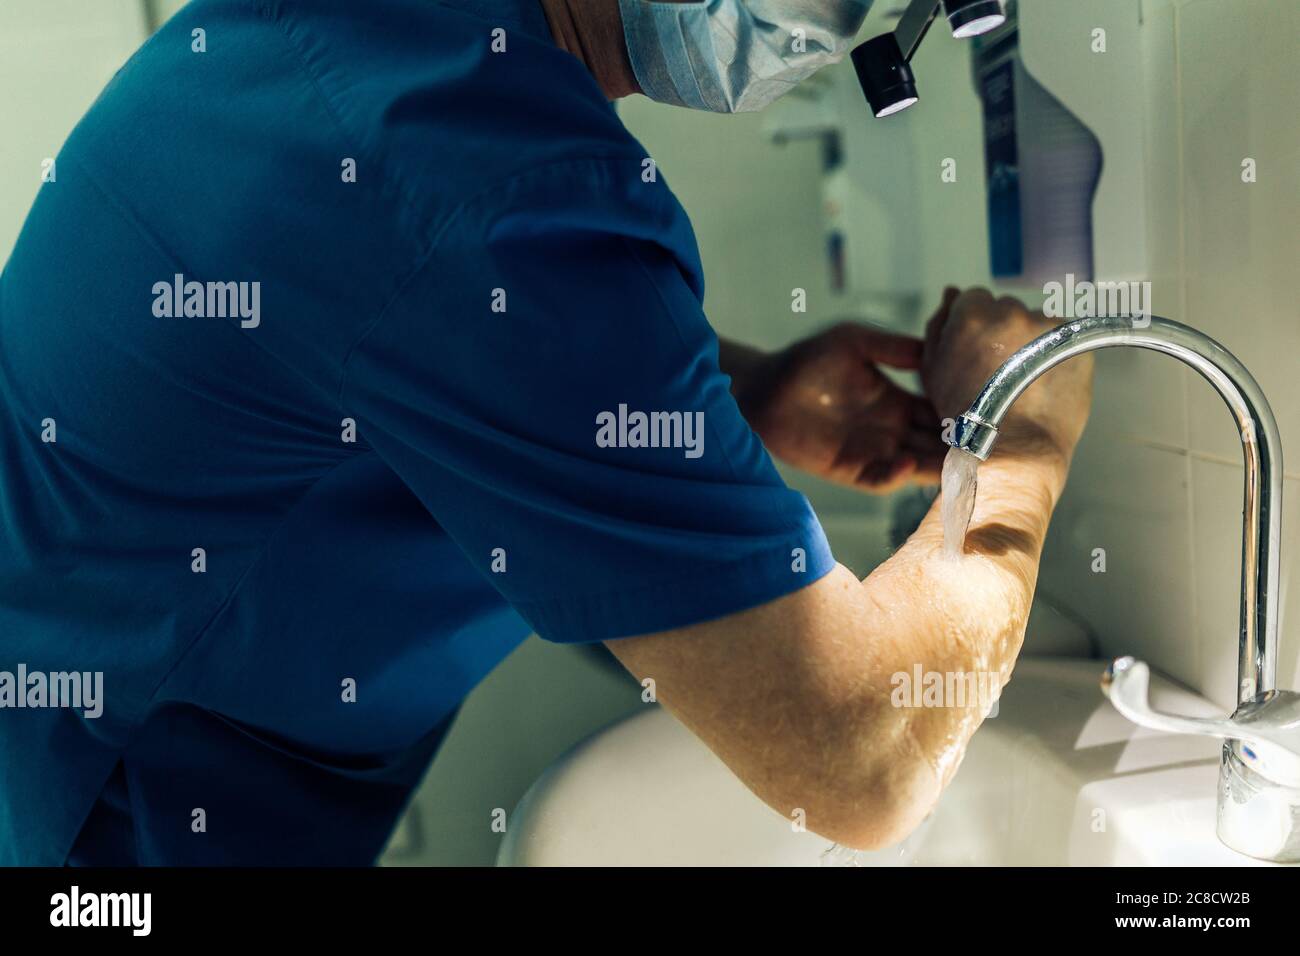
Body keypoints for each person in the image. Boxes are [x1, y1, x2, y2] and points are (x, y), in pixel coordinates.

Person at [0, 0, 1091, 865]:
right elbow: (859, 757)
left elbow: (385, 322)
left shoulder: (377, 49)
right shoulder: (485, 172)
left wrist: (734, 393)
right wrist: (1021, 431)